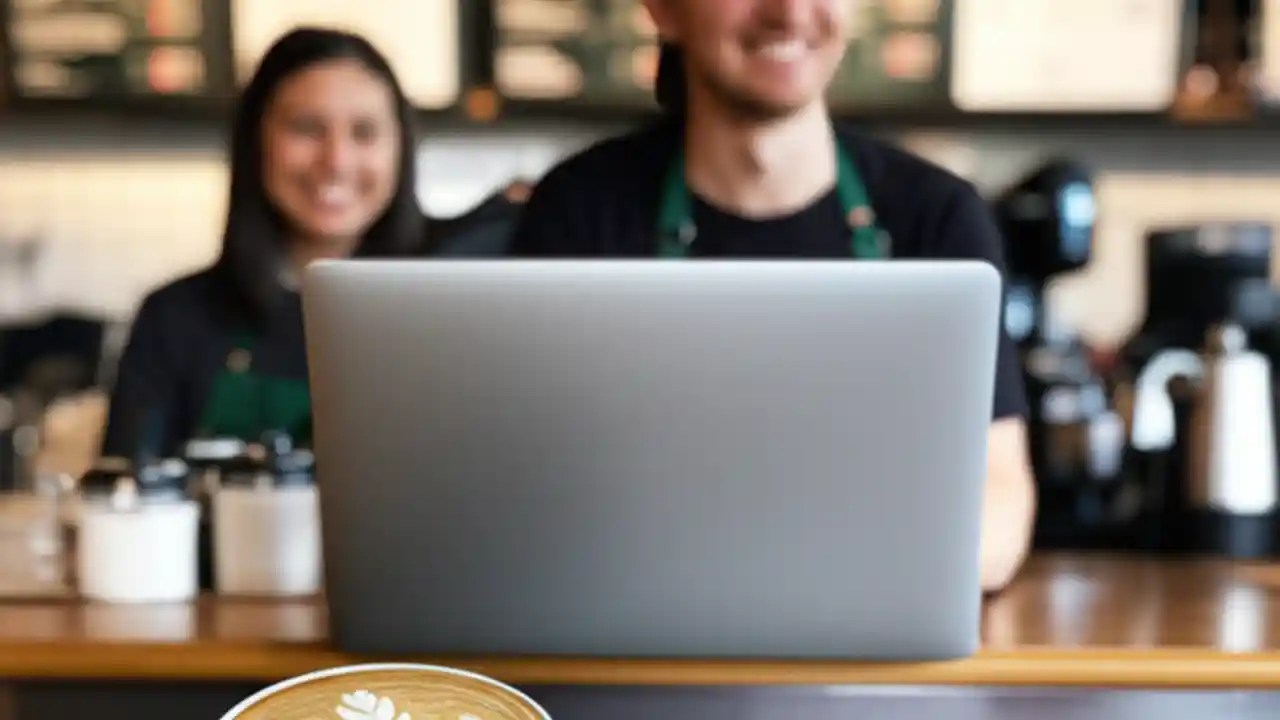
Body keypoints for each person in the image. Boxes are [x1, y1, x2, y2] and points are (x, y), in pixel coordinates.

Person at [509, 0, 1035, 592]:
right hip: (636, 625)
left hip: (868, 639)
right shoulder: (580, 210)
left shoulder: (938, 216)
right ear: (664, 11)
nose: (788, 12)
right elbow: (534, 491)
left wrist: (858, 590)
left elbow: (1000, 496)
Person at [102, 28, 427, 458]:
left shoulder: (440, 319)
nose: (337, 160)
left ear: (401, 150)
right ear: (256, 141)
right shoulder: (173, 318)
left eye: (364, 132)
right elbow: (123, 500)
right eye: (307, 128)